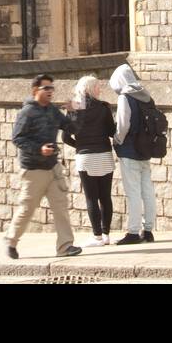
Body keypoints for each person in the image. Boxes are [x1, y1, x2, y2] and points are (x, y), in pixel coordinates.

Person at [4, 74, 82, 260]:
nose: (50, 92)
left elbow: (71, 128)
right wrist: (39, 149)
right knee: (27, 208)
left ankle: (65, 246)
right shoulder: (27, 112)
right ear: (35, 91)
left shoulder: (52, 110)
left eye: (51, 88)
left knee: (61, 207)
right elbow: (17, 138)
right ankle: (11, 240)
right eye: (46, 88)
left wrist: (73, 112)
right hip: (33, 169)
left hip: (52, 167)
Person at [63, 75, 116, 247]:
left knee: (91, 198)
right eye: (98, 87)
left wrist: (79, 145)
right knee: (105, 196)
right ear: (91, 89)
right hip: (104, 155)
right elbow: (111, 132)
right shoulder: (104, 107)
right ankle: (106, 234)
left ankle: (97, 237)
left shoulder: (73, 107)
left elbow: (65, 136)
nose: (100, 89)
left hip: (85, 157)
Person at [110, 63, 156, 245]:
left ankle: (133, 232)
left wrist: (117, 140)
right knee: (147, 191)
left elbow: (123, 125)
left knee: (134, 192)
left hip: (130, 149)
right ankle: (149, 230)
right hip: (145, 150)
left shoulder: (125, 97)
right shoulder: (146, 96)